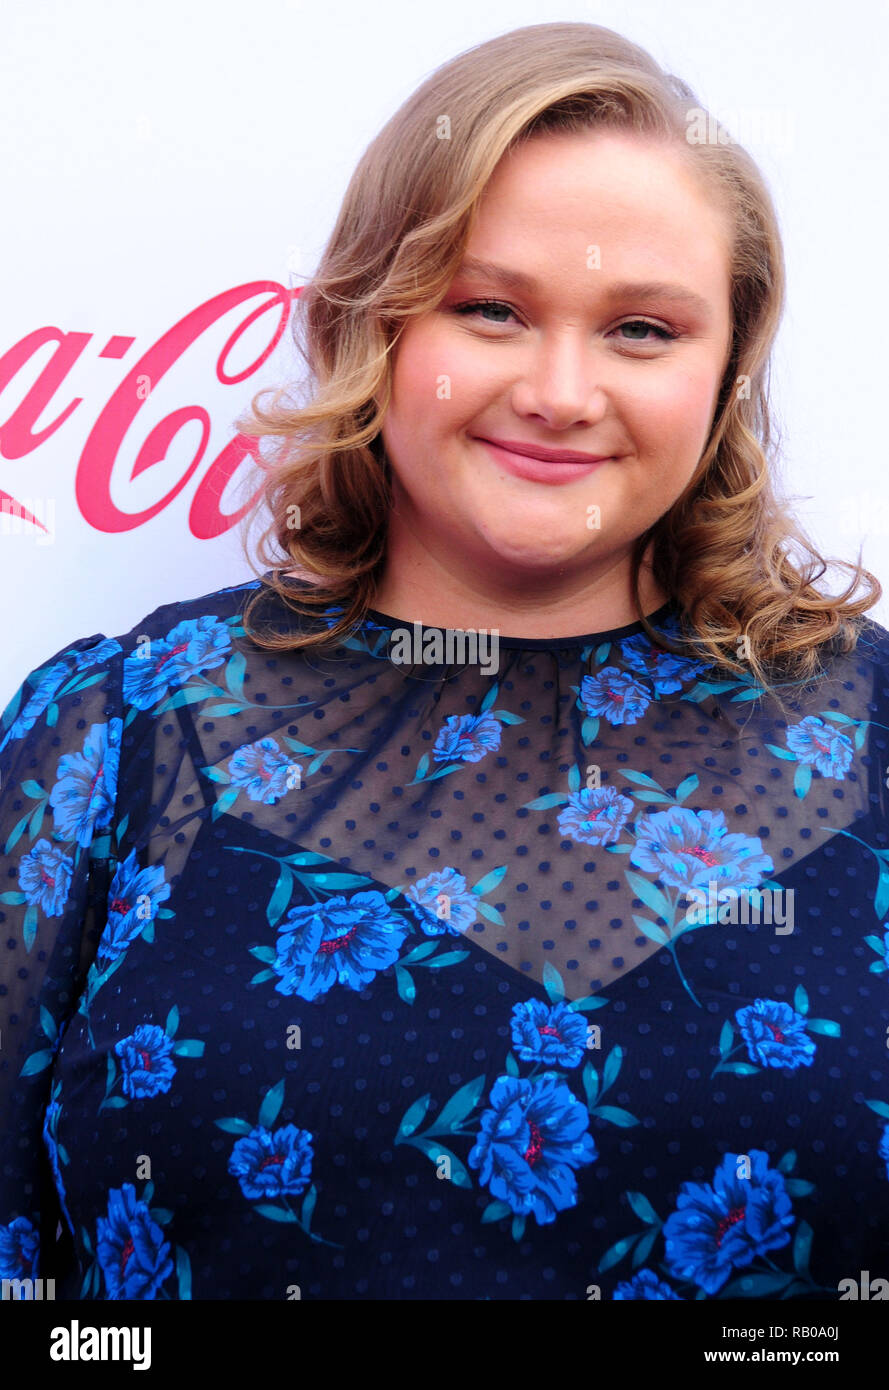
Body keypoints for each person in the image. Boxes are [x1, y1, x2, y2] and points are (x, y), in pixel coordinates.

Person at [1, 20, 886, 1304]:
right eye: (490, 309)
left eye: (642, 329)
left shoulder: (870, 729)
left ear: (726, 370)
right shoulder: (122, 729)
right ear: (374, 322)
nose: (560, 390)